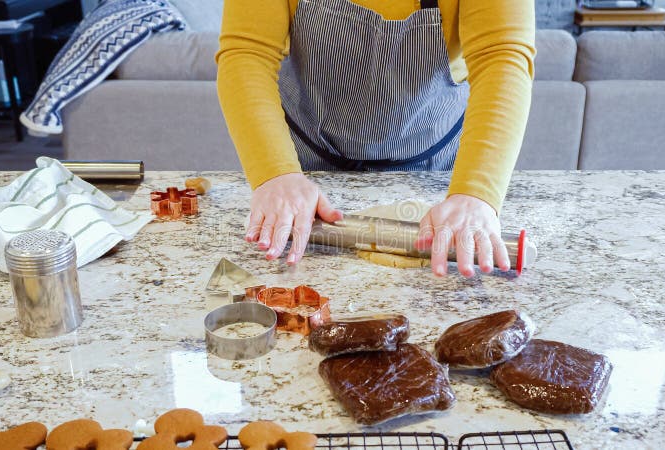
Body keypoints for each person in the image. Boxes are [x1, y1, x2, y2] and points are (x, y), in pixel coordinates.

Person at [216, 0, 535, 277]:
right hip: (304, 168)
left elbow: (502, 58)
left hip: (435, 170)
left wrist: (476, 193)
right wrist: (275, 173)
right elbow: (248, 54)